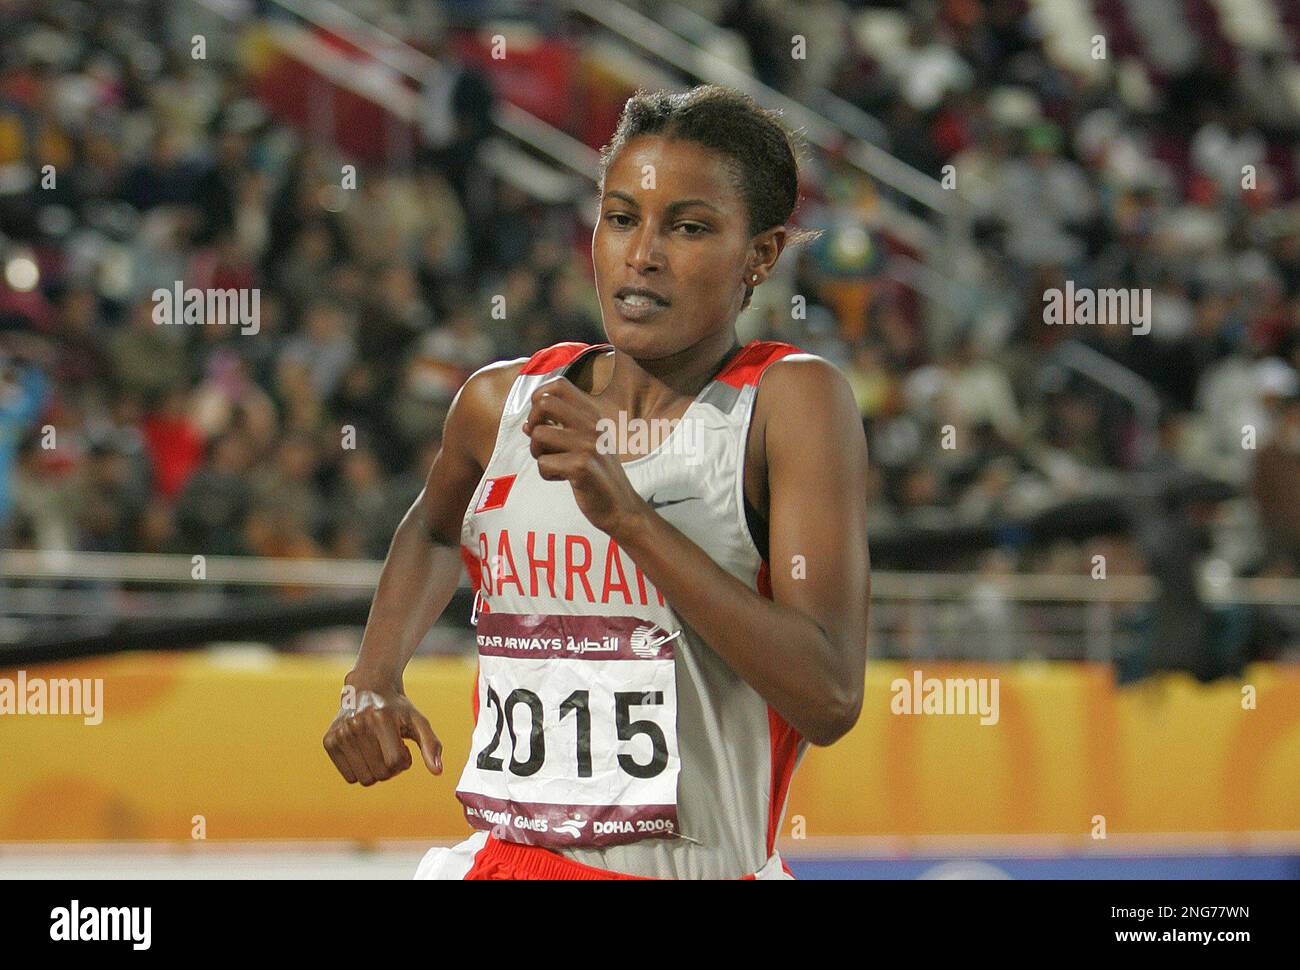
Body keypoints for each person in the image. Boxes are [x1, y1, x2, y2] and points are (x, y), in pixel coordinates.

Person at [323, 85, 871, 880]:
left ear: (761, 255)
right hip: (506, 863)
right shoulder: (500, 402)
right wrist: (371, 677)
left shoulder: (788, 405)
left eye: (688, 227)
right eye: (621, 218)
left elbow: (827, 696)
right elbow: (438, 527)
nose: (641, 253)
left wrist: (634, 522)